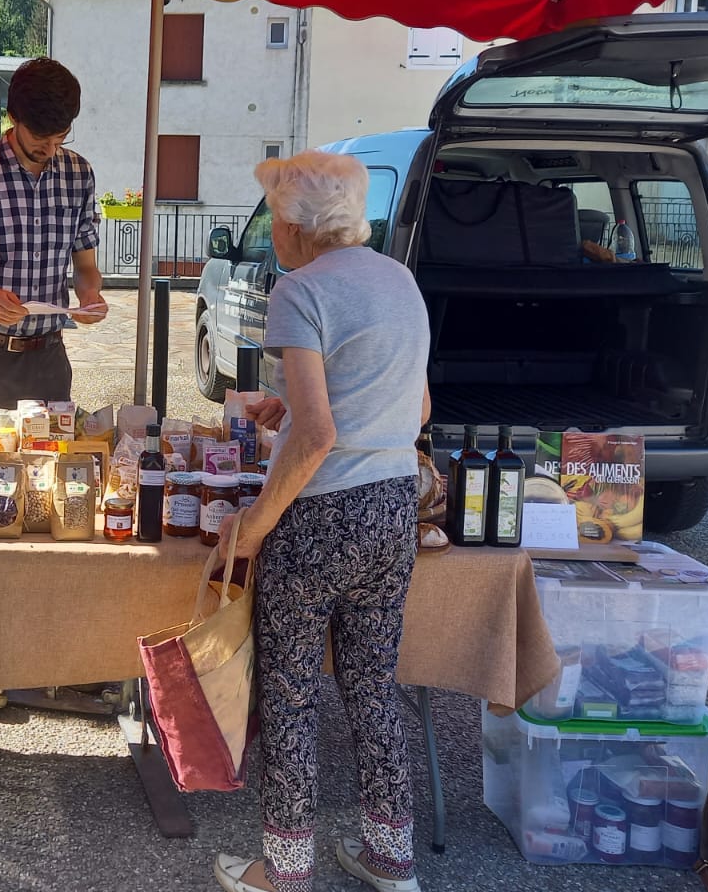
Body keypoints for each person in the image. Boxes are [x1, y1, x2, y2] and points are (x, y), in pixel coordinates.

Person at [211, 151, 431, 892]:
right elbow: (417, 408)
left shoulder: (299, 289)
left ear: (296, 225)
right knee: (372, 687)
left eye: (275, 216)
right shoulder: (399, 280)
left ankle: (286, 872)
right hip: (393, 506)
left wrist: (256, 522)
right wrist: (312, 399)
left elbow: (316, 436)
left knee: (291, 694)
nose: (273, 232)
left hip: (321, 515)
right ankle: (392, 859)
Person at [0, 56, 108, 710]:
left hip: (48, 356)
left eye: (60, 138)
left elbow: (85, 263)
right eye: (40, 139)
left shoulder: (78, 174)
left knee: (54, 500)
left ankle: (52, 651)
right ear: (13, 119)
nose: (50, 149)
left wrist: (90, 296)